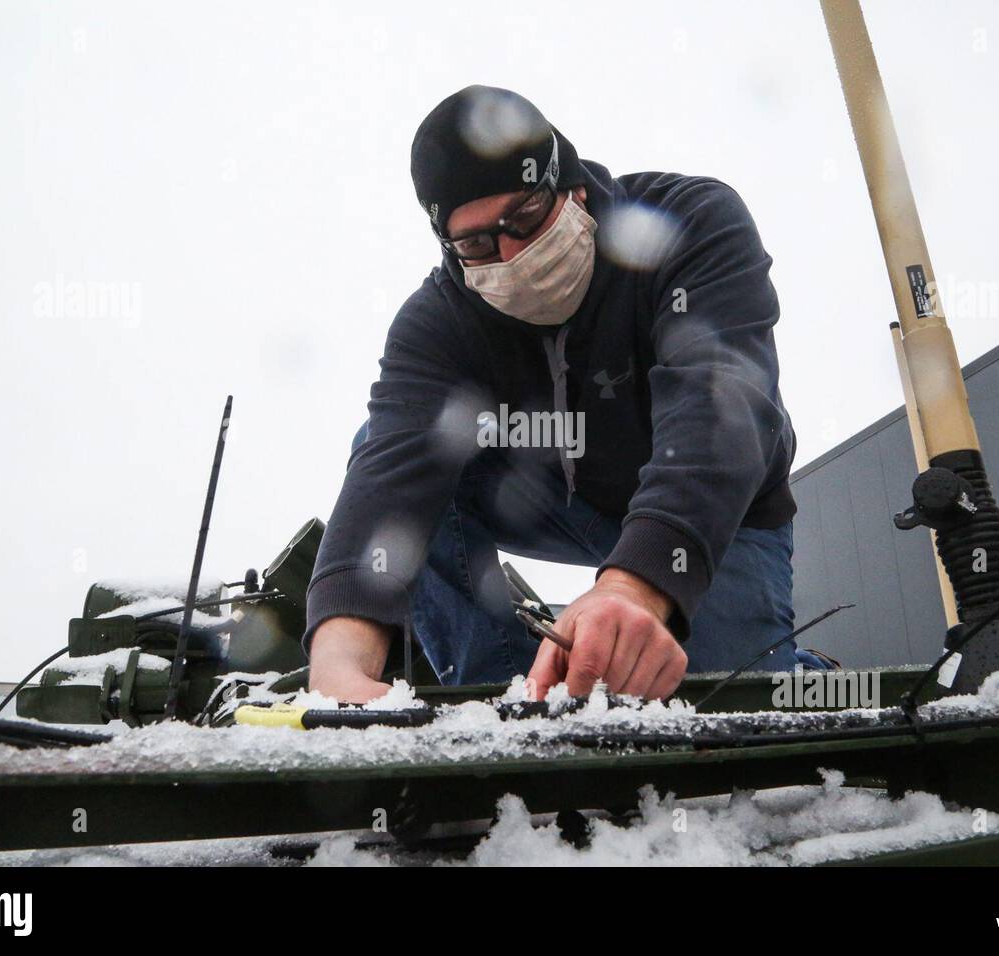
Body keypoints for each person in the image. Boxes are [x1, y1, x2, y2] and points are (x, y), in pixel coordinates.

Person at [304, 85, 821, 704]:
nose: (513, 256)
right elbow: (386, 477)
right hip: (553, 500)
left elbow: (721, 409)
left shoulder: (688, 224)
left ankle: (806, 671)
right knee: (385, 446)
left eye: (525, 218)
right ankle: (500, 690)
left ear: (570, 185)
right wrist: (337, 661)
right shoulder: (437, 321)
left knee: (727, 703)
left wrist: (631, 590)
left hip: (714, 508)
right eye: (476, 244)